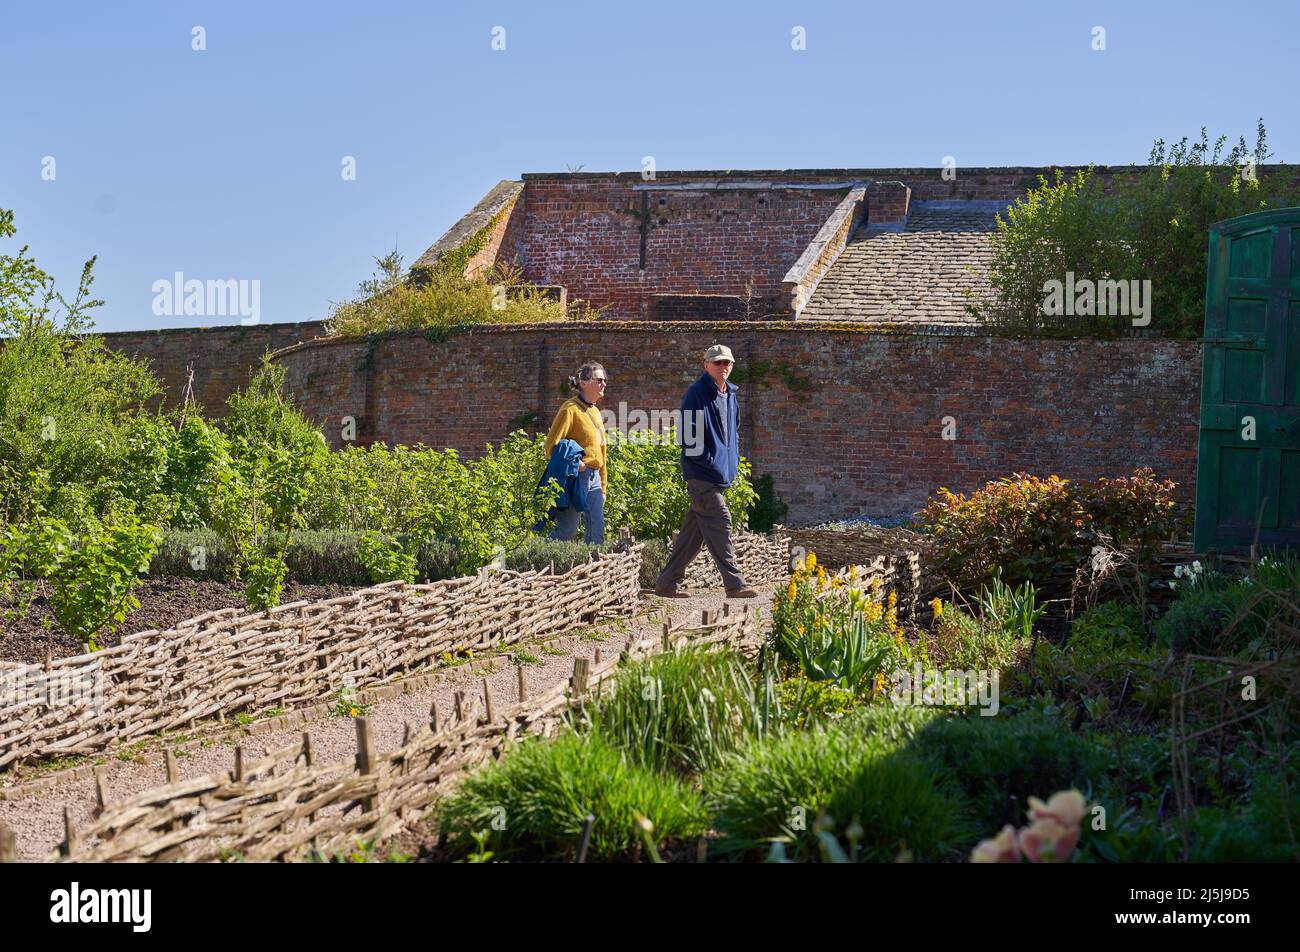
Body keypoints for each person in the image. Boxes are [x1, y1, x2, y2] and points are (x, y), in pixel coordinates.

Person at [654, 344, 757, 599]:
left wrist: (729, 463)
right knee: (721, 521)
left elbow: (734, 431)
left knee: (693, 534)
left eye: (727, 363)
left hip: (720, 475)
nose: (723, 367)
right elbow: (689, 439)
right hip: (701, 475)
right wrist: (710, 463)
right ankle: (735, 584)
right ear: (706, 366)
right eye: (718, 363)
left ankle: (667, 582)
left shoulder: (730, 394)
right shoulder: (696, 394)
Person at [542, 361, 608, 544]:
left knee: (597, 533)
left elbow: (602, 451)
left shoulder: (595, 412)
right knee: (566, 532)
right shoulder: (569, 409)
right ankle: (534, 561)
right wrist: (576, 465)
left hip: (595, 478)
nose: (604, 384)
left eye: (605, 380)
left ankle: (595, 572)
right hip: (576, 477)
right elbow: (550, 447)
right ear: (584, 383)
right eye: (600, 380)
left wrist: (603, 486)